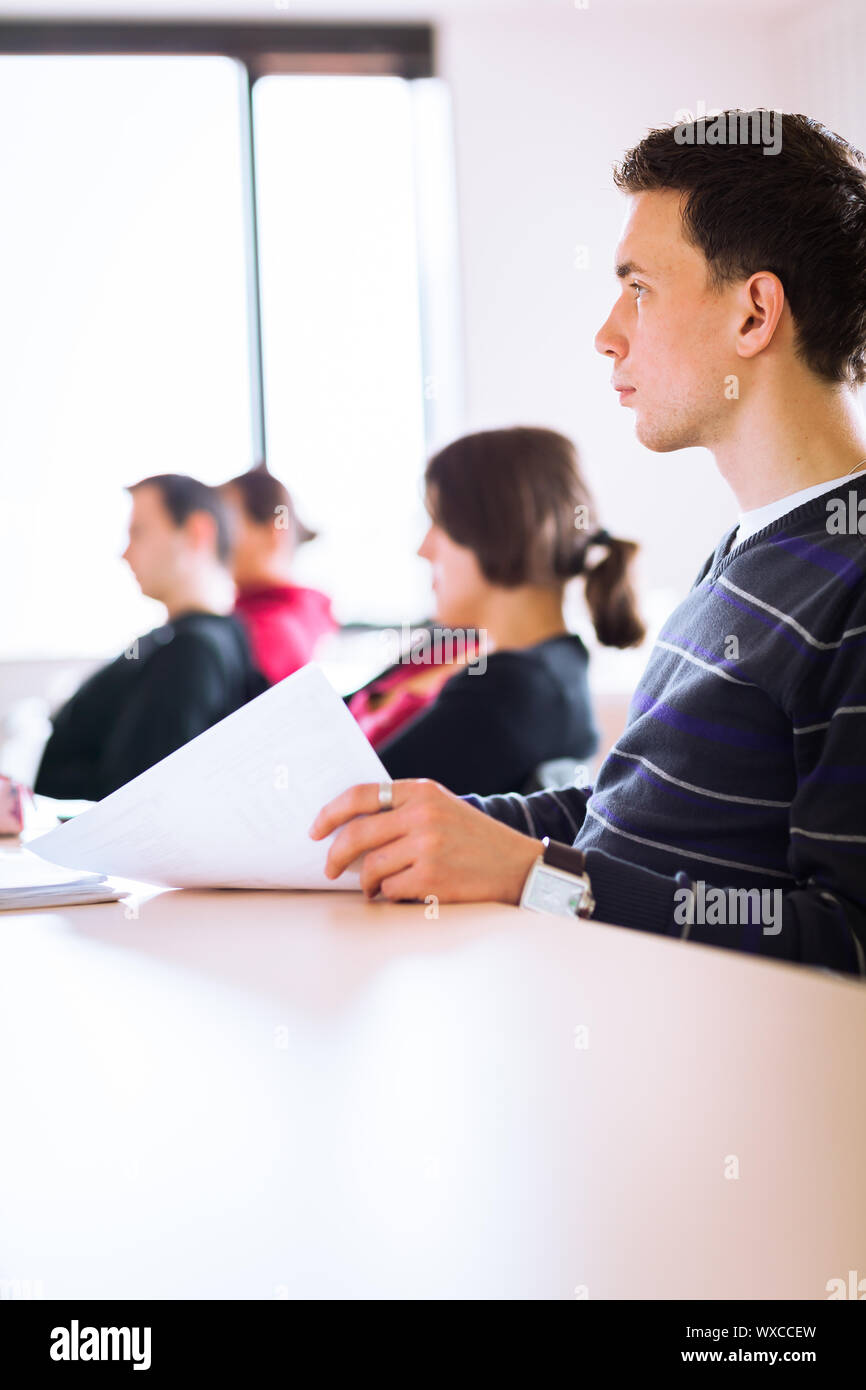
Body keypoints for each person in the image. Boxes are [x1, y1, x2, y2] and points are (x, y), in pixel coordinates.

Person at [311, 110, 866, 977]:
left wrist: (536, 880)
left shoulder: (855, 581)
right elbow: (620, 816)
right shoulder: (748, 554)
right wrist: (403, 821)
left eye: (639, 287)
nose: (608, 333)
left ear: (755, 314)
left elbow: (848, 940)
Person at [346, 426, 645, 794]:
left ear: (495, 534)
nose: (423, 549)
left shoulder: (516, 690)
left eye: (439, 524)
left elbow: (355, 804)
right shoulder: (456, 642)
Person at [35, 474, 266, 801]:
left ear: (197, 532)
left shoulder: (191, 651)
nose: (124, 554)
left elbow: (135, 797)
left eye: (138, 533)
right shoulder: (214, 637)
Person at [219, 464, 337, 686]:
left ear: (273, 532)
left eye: (226, 524)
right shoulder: (313, 613)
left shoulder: (266, 632)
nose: (217, 539)